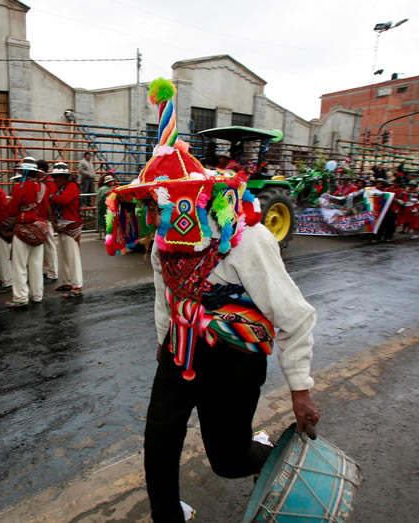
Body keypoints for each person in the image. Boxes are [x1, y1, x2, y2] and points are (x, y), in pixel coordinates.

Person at [105, 79, 319, 522]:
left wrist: (300, 389)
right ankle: (167, 513)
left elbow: (293, 315)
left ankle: (270, 457)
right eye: (156, 202)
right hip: (179, 352)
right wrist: (164, 345)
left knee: (227, 460)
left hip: (234, 356)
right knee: (159, 436)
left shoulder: (250, 238)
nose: (163, 212)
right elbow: (166, 298)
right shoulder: (162, 241)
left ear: (199, 194)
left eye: (170, 200)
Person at [6, 157, 48, 308]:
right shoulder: (43, 187)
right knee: (36, 264)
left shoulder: (19, 187)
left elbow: (11, 210)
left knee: (19, 265)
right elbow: (45, 209)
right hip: (39, 228)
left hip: (23, 228)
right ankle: (37, 294)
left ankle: (20, 296)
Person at [50, 162, 83, 298]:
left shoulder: (71, 187)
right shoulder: (63, 187)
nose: (55, 180)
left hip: (71, 224)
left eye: (57, 177)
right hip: (62, 224)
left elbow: (62, 201)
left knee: (72, 256)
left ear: (63, 177)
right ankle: (67, 281)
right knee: (63, 255)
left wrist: (51, 196)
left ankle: (77, 284)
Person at [37, 158, 59, 282]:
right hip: (43, 218)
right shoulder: (43, 181)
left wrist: (52, 219)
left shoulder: (49, 183)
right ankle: (47, 269)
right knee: (45, 246)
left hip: (48, 218)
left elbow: (52, 203)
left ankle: (53, 272)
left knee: (50, 245)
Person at [96, 172, 117, 239]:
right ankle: (109, 237)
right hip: (107, 207)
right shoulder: (107, 190)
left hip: (103, 207)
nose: (113, 182)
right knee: (109, 222)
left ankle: (107, 237)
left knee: (106, 223)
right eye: (111, 181)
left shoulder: (102, 189)